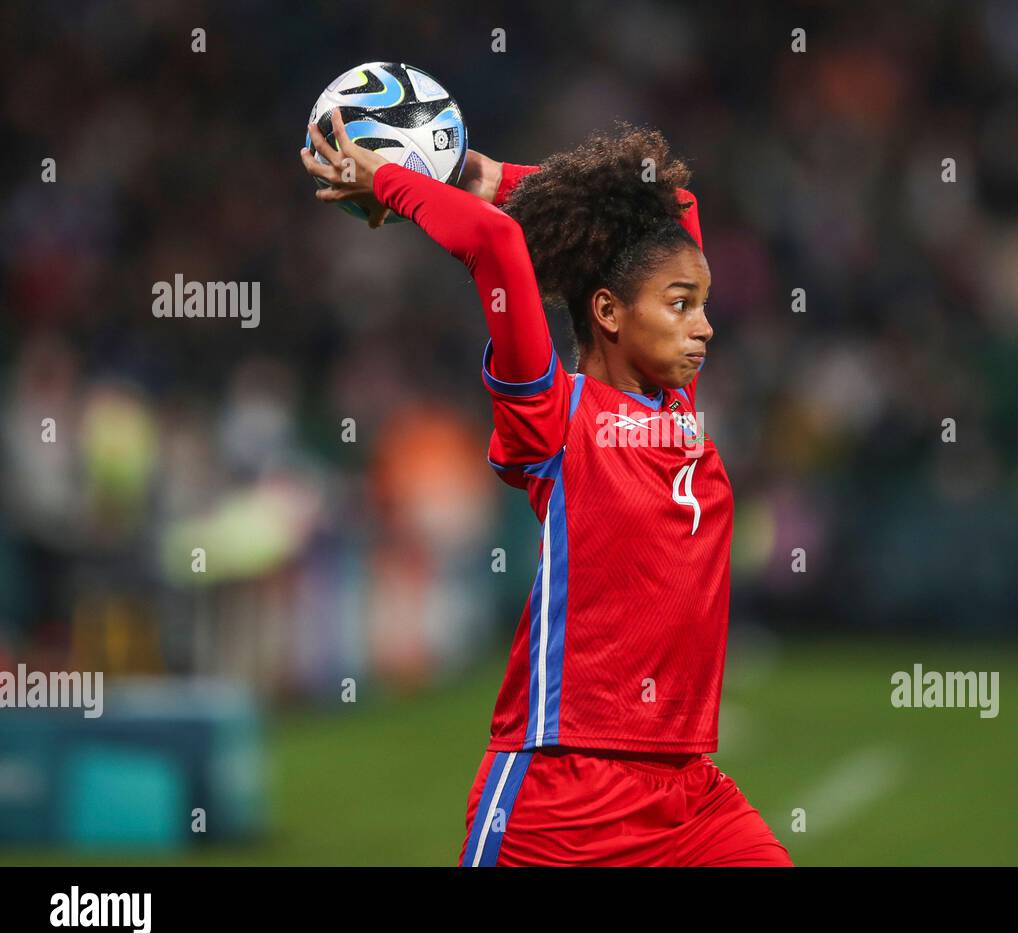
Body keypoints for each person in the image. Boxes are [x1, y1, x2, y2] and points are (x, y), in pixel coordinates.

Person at [301, 108, 792, 866]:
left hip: (687, 792)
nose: (705, 328)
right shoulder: (553, 419)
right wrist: (389, 179)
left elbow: (674, 206)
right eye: (680, 305)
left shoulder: (677, 405)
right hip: (561, 791)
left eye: (700, 304)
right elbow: (495, 243)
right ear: (608, 312)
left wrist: (491, 177)